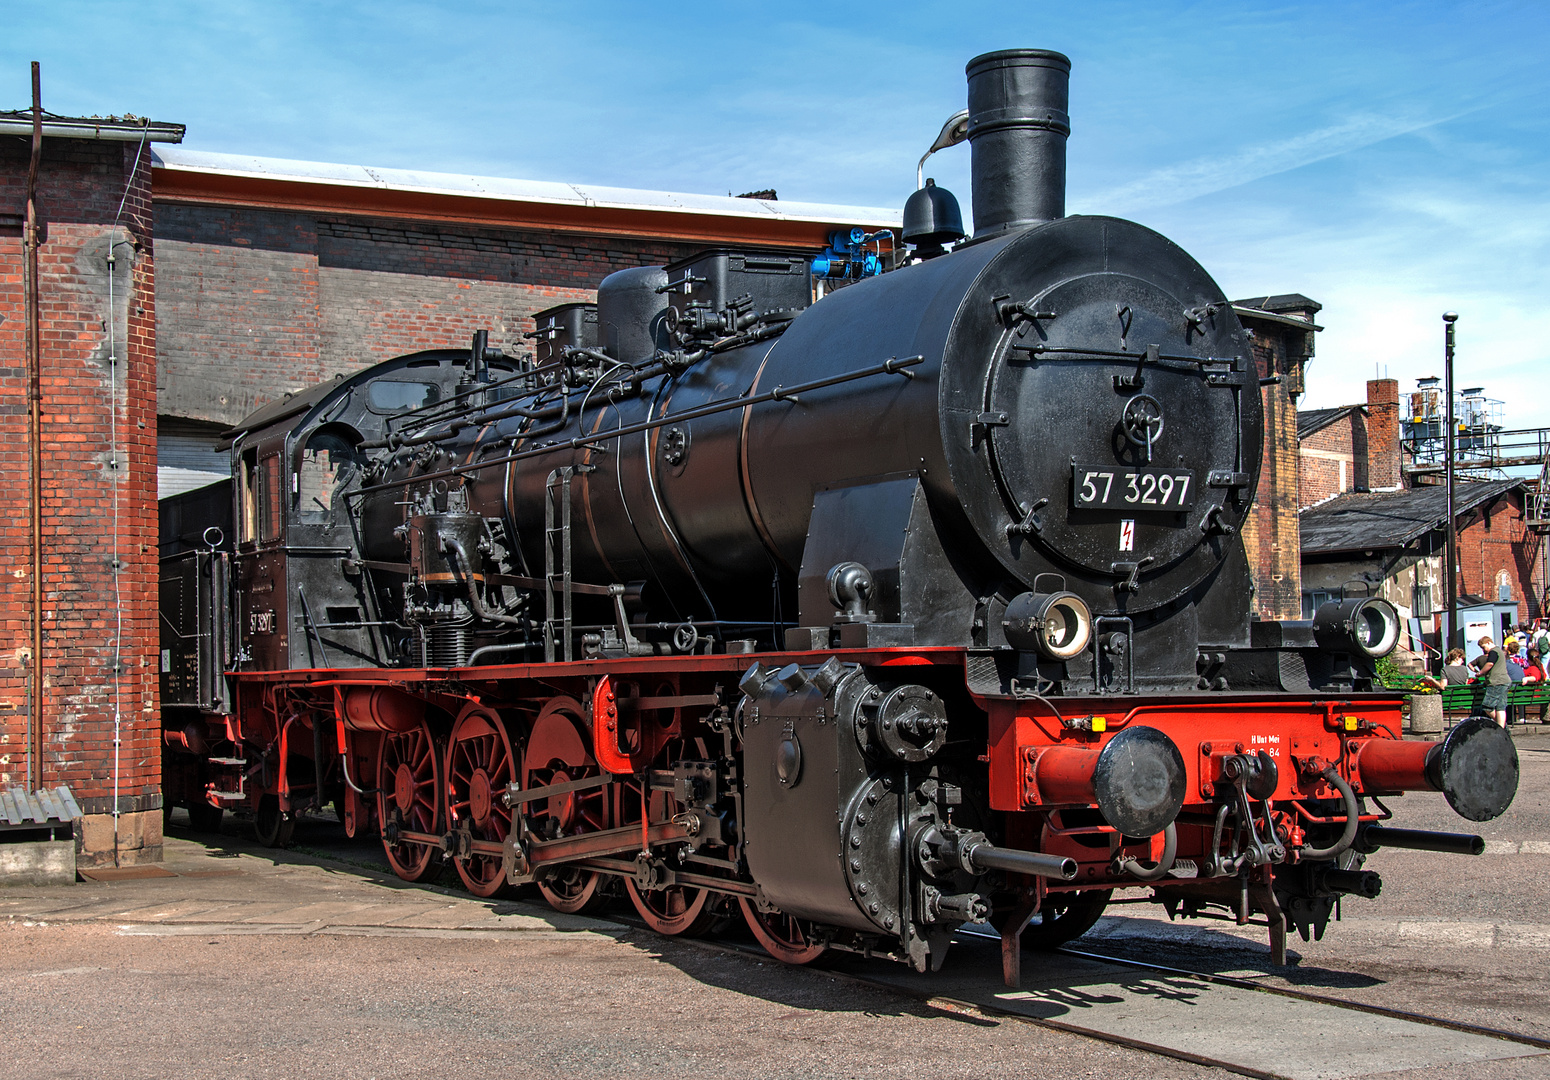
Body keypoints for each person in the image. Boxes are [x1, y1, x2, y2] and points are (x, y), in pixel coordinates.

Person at [1472, 635, 1512, 727]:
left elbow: (1490, 664)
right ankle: (1502, 728)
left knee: (1487, 706)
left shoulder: (1493, 652)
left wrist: (1480, 673)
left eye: (1483, 647)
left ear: (1489, 643)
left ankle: (1500, 725)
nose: (1483, 650)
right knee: (1500, 707)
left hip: (1496, 682)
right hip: (1505, 681)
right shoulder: (1500, 651)